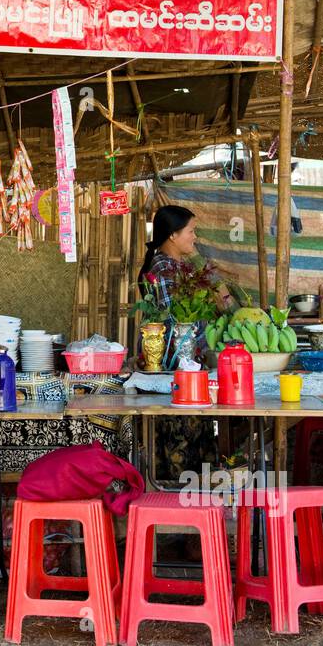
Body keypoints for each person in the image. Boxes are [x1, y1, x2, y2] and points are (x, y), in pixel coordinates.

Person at [136, 205, 223, 482]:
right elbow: (174, 321)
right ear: (173, 235)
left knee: (194, 438)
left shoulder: (180, 266)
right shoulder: (164, 268)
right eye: (191, 231)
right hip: (176, 366)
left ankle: (192, 505)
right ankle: (178, 506)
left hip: (188, 366)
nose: (195, 237)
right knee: (180, 439)